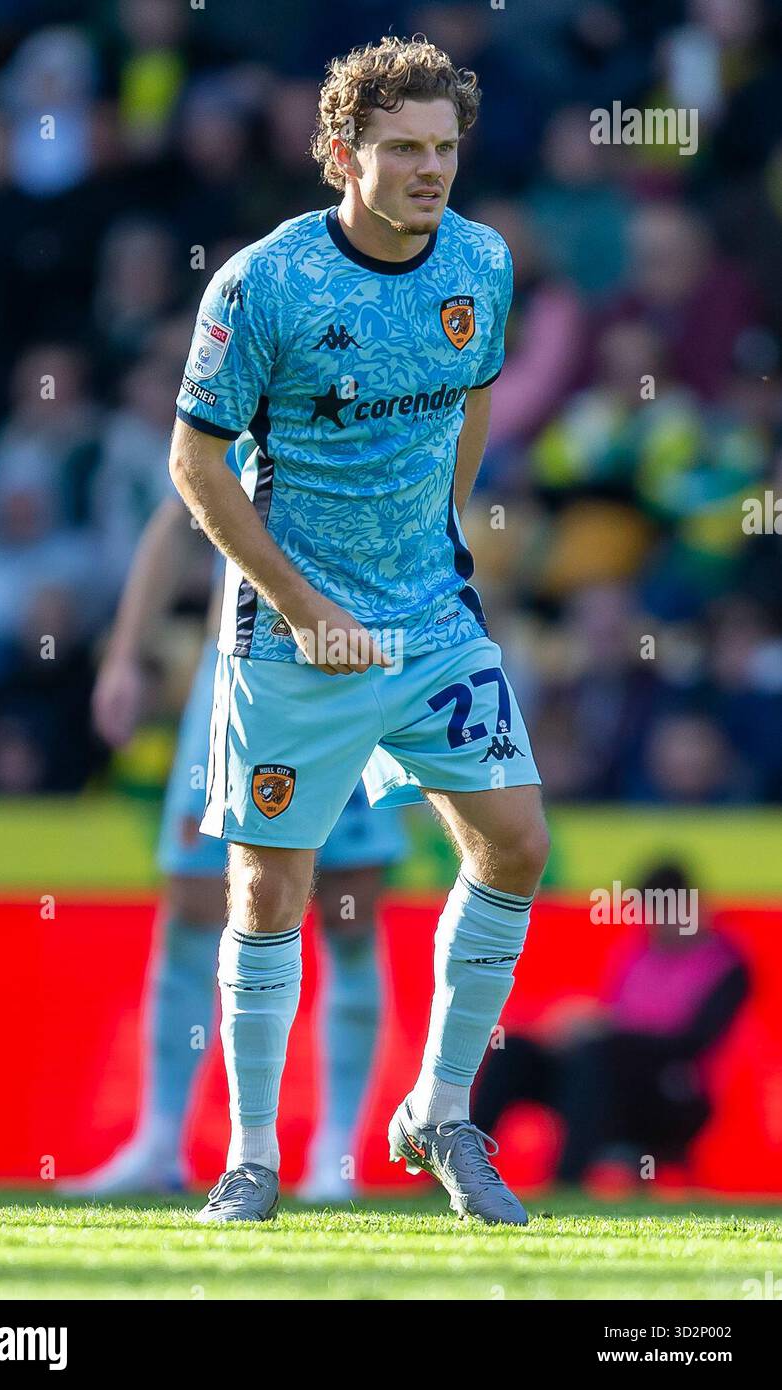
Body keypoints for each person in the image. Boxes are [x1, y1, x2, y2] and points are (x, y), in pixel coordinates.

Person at [169, 35, 549, 1226]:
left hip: (431, 622)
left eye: (443, 148)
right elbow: (195, 463)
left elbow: (473, 394)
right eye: (402, 149)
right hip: (294, 637)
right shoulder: (262, 284)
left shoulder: (481, 262)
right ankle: (249, 1158)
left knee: (515, 844)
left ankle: (437, 1112)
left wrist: (436, 535)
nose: (429, 170)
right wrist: (304, 606)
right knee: (270, 892)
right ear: (341, 151)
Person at [64, 483, 406, 1198]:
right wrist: (125, 654)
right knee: (195, 904)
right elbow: (178, 513)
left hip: (352, 679)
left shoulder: (388, 387)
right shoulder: (246, 383)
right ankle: (160, 1141)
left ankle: (335, 1155)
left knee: (347, 915)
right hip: (234, 686)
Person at [472, 864, 749, 1187]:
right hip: (604, 1076)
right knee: (516, 1052)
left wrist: (608, 1035)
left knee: (595, 1059)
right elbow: (616, 1018)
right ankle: (465, 1170)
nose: (658, 922)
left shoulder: (726, 967)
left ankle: (565, 1183)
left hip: (673, 1095)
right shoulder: (637, 954)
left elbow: (692, 1044)